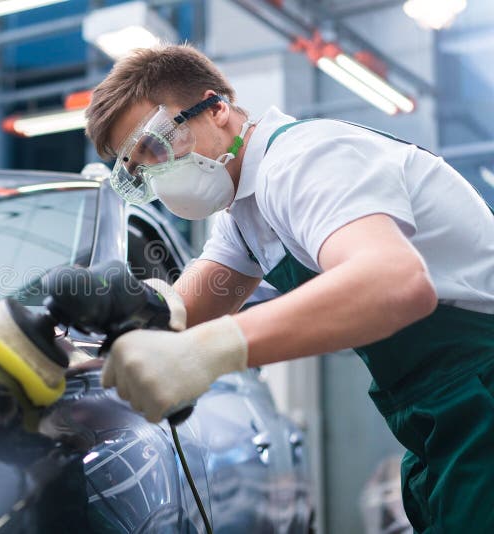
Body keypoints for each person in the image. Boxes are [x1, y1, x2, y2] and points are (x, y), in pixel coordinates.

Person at [85, 44, 494, 533]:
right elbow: (179, 310)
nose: (156, 173)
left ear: (215, 108)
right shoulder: (243, 216)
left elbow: (396, 282)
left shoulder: (305, 159)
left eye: (156, 147)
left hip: (480, 386)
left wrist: (210, 351)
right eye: (139, 169)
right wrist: (64, 330)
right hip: (439, 412)